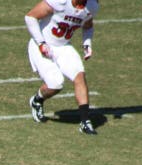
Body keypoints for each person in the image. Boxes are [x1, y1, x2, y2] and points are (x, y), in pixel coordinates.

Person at [25, 0, 99, 135]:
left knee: (79, 75)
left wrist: (87, 43)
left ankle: (85, 122)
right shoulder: (60, 1)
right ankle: (37, 100)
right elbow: (30, 17)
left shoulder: (91, 6)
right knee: (56, 84)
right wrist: (41, 43)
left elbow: (88, 26)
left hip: (63, 46)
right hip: (41, 44)